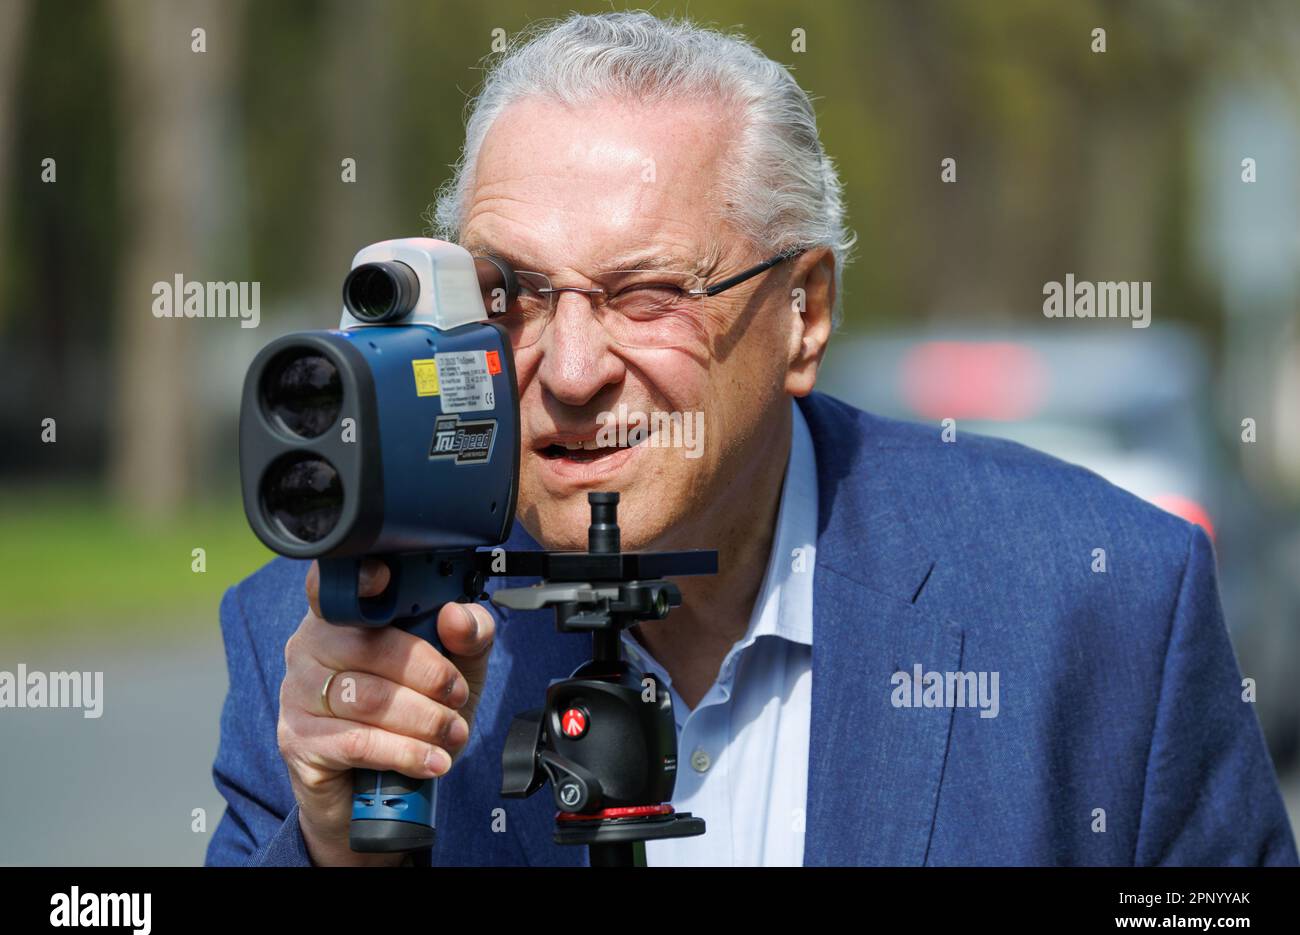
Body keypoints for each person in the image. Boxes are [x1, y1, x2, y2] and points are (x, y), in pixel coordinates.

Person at [206, 11, 1297, 866]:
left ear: (803, 314)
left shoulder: (1098, 608)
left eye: (645, 295)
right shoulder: (332, 640)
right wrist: (336, 852)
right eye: (514, 294)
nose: (571, 369)